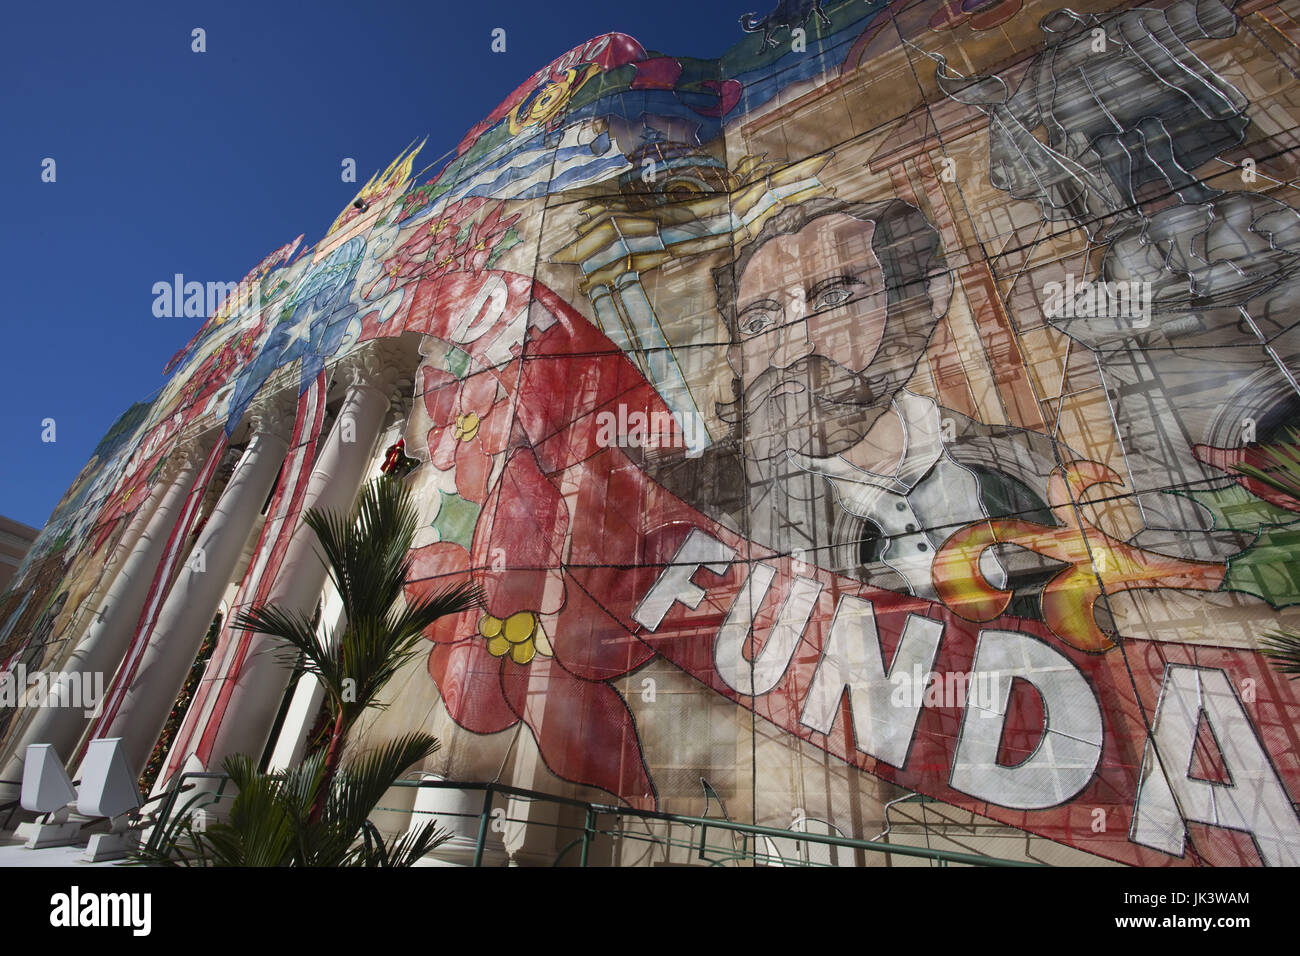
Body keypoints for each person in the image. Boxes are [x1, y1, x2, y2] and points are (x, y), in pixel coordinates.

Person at [650, 197, 1064, 601]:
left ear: (930, 296)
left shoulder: (1034, 468)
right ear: (736, 358)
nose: (792, 349)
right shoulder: (693, 507)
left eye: (834, 298)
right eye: (759, 323)